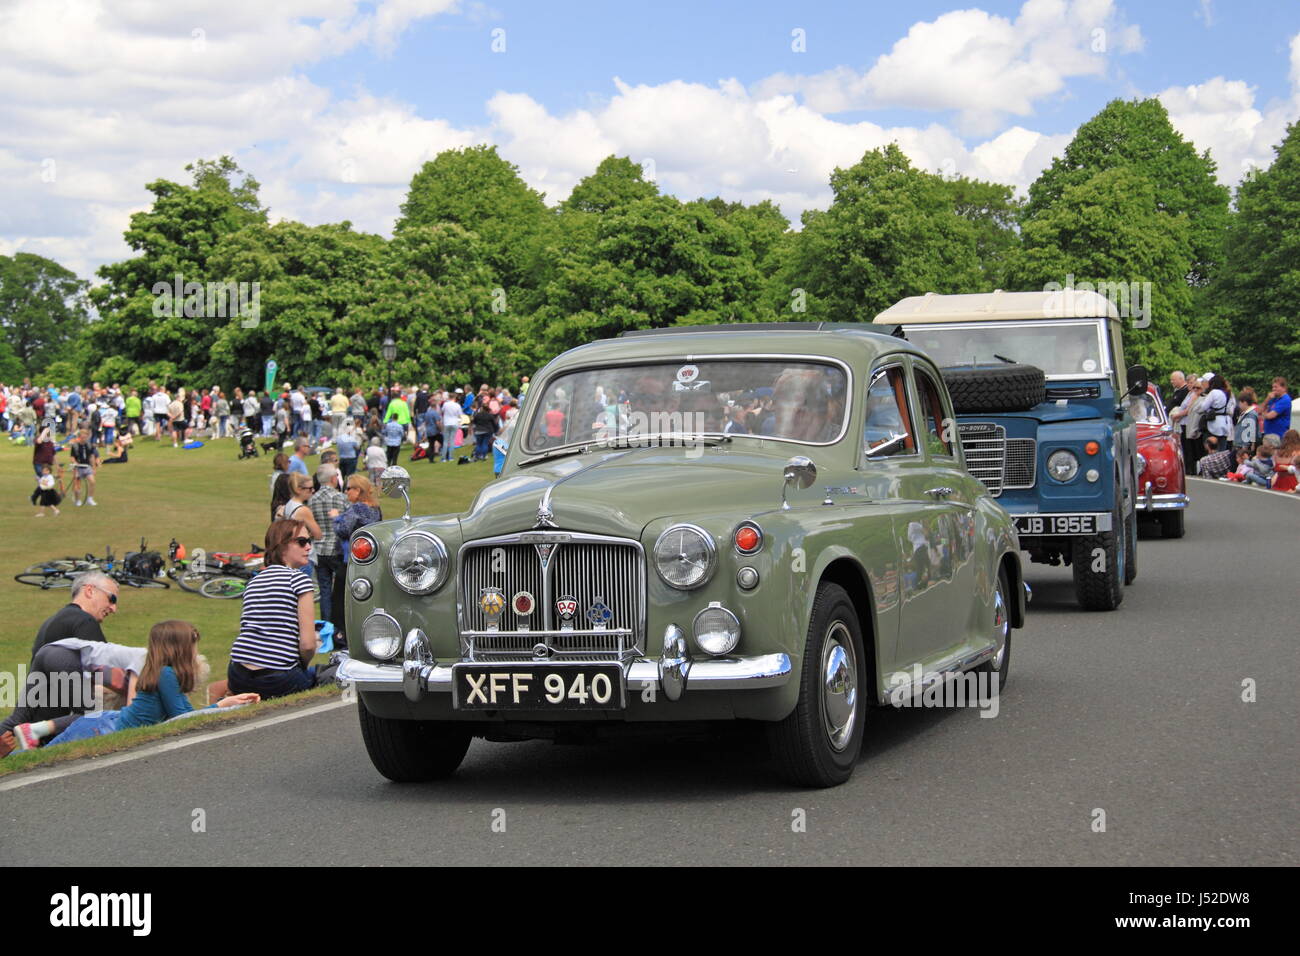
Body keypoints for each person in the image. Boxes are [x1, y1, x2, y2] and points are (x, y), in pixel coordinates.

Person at [9, 622, 259, 750]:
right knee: (37, 758)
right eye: (193, 646)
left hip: (107, 721)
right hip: (102, 727)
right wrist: (223, 706)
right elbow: (183, 719)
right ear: (180, 648)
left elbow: (182, 714)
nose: (196, 652)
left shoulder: (163, 672)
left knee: (39, 753)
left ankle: (32, 733)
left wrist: (224, 704)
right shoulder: (166, 674)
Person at [226, 519, 320, 699]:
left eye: (310, 541)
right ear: (282, 545)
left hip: (238, 673)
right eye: (302, 542)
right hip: (277, 677)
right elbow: (308, 645)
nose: (308, 547)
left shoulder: (254, 582)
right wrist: (302, 665)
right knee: (330, 673)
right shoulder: (299, 580)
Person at [310, 464, 347, 641]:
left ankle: (326, 628)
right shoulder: (341, 498)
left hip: (319, 548)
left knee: (325, 589)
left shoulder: (312, 499)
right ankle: (339, 626)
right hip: (336, 548)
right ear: (333, 479)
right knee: (339, 591)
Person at [68, 427, 99, 506]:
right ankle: (77, 500)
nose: (84, 439)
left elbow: (91, 457)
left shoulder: (89, 445)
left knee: (92, 482)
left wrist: (93, 467)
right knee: (77, 485)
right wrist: (75, 463)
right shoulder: (75, 446)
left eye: (85, 437)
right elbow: (72, 457)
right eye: (82, 437)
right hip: (78, 467)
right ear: (79, 437)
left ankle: (90, 498)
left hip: (87, 466)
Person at [1262, 377, 1292, 442]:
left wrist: (1264, 414)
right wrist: (1267, 399)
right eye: (1273, 387)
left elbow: (1270, 416)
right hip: (1269, 435)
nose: (1273, 389)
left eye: (1276, 387)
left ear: (1284, 388)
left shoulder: (1285, 399)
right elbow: (1260, 410)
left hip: (1278, 436)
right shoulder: (1274, 399)